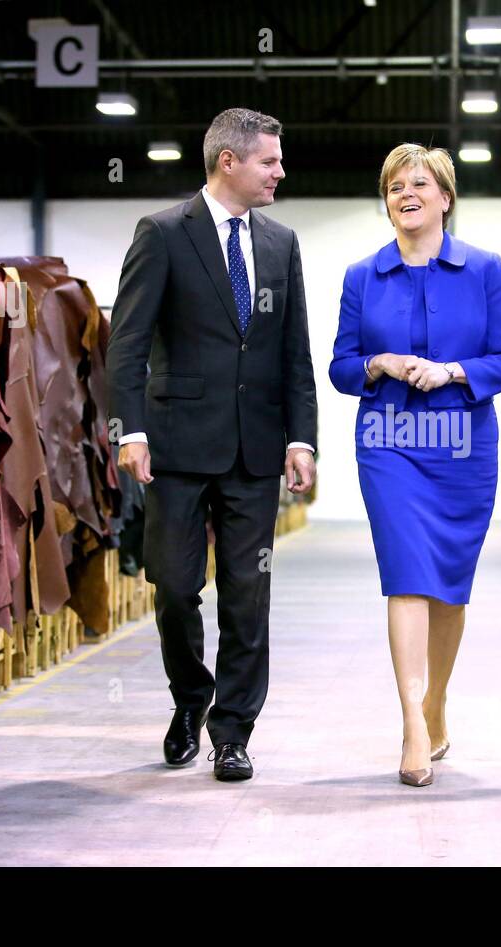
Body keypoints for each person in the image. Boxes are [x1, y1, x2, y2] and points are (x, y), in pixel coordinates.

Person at [107, 108, 318, 782]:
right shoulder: (164, 233)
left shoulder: (281, 244)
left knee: (246, 593)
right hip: (174, 446)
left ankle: (232, 730)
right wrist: (131, 429)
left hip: (255, 453)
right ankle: (188, 698)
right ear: (229, 161)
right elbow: (129, 341)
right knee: (171, 587)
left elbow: (294, 352)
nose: (280, 172)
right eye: (269, 161)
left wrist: (302, 438)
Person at [330, 144, 501, 787]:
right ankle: (413, 721)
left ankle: (436, 700)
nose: (405, 193)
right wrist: (377, 364)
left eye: (419, 183)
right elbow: (339, 366)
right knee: (406, 574)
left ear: (446, 197)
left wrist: (454, 371)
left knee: (448, 585)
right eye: (393, 186)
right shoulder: (363, 275)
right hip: (388, 444)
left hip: (464, 446)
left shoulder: (486, 270)